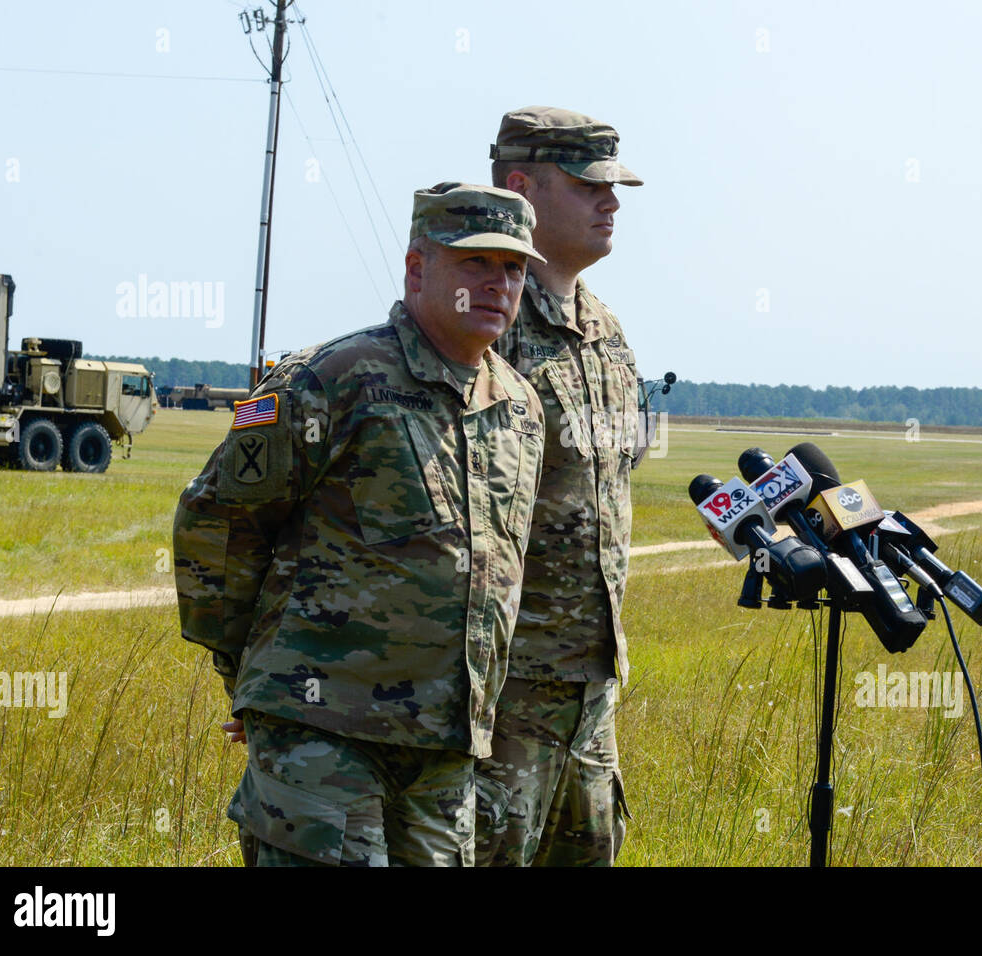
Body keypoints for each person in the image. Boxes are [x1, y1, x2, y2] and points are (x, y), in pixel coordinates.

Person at [172, 182, 546, 867]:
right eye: (476, 263)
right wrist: (250, 680)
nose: (498, 284)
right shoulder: (333, 378)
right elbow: (218, 524)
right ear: (416, 268)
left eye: (514, 269)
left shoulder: (520, 407)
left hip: (444, 755)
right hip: (321, 736)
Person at [474, 107, 645, 866]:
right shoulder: (481, 324)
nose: (611, 203)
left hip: (590, 687)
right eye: (589, 186)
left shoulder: (605, 329)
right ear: (522, 187)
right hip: (507, 690)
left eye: (616, 187)